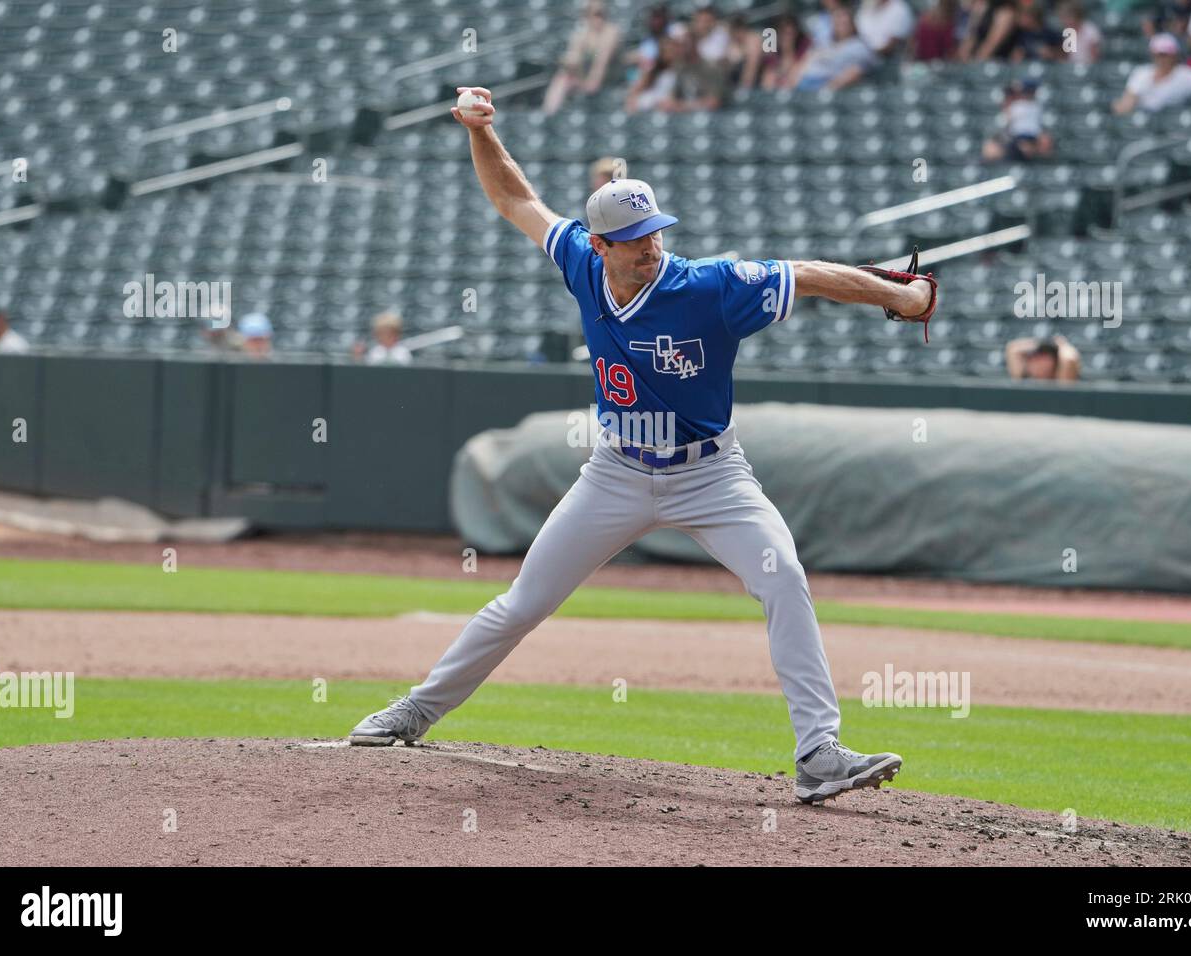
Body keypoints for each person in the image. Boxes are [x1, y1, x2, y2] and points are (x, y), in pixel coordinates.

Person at [347, 84, 940, 803]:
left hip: (711, 474)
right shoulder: (580, 264)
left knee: (782, 574)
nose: (652, 244)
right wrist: (480, 129)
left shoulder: (710, 285)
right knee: (523, 603)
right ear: (601, 245)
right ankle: (417, 710)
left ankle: (819, 754)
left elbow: (806, 275)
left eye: (656, 229)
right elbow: (515, 200)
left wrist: (898, 295)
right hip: (617, 473)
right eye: (635, 237)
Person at [1113, 32, 1191, 113]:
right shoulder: (1142, 72)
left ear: (1174, 55)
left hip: (1167, 122)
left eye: (1165, 54)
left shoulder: (1185, 74)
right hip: (1141, 119)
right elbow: (1127, 100)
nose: (1161, 58)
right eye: (1158, 54)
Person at [542, 0, 622, 114]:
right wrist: (567, 63)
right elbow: (573, 58)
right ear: (587, 15)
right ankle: (549, 113)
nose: (599, 18)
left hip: (610, 76)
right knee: (561, 78)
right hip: (587, 75)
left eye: (601, 14)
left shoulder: (611, 32)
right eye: (595, 14)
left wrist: (592, 81)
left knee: (566, 79)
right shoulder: (583, 34)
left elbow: (601, 59)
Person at [790, 6, 878, 90]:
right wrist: (792, 83)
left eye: (844, 22)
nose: (841, 25)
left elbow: (856, 71)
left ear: (852, 23)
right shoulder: (824, 43)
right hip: (804, 84)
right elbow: (805, 62)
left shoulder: (859, 46)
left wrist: (826, 90)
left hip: (826, 88)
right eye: (838, 21)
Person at [982, 79, 1054, 160]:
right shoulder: (1016, 107)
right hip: (1016, 140)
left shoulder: (1036, 107)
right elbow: (1004, 128)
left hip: (1032, 139)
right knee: (992, 147)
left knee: (1043, 142)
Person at [1006, 335, 1081, 380]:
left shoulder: (1060, 380)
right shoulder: (1025, 380)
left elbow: (1070, 358)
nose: (1037, 363)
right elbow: (1012, 348)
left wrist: (1061, 345)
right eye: (1035, 358)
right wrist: (1040, 344)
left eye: (1043, 358)